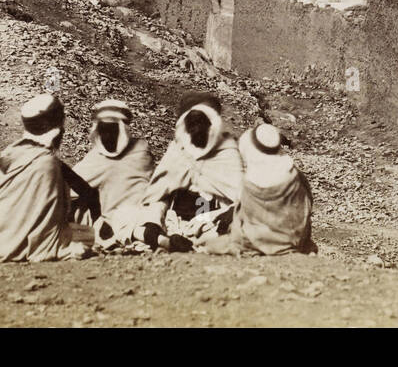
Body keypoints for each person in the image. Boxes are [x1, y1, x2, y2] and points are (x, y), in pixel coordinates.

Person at [135, 92, 243, 251]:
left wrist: (217, 217)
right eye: (193, 123)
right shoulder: (177, 150)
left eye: (202, 122)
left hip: (212, 218)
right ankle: (161, 237)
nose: (197, 128)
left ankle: (204, 240)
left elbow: (241, 198)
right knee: (137, 212)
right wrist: (154, 219)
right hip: (174, 216)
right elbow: (157, 193)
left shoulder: (227, 151)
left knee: (243, 217)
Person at [0, 93, 73, 263]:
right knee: (88, 237)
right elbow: (46, 223)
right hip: (14, 246)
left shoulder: (10, 153)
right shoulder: (46, 163)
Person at [204, 123, 315, 256]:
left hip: (253, 242)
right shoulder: (295, 176)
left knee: (210, 244)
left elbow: (241, 218)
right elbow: (307, 206)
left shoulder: (250, 182)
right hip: (293, 241)